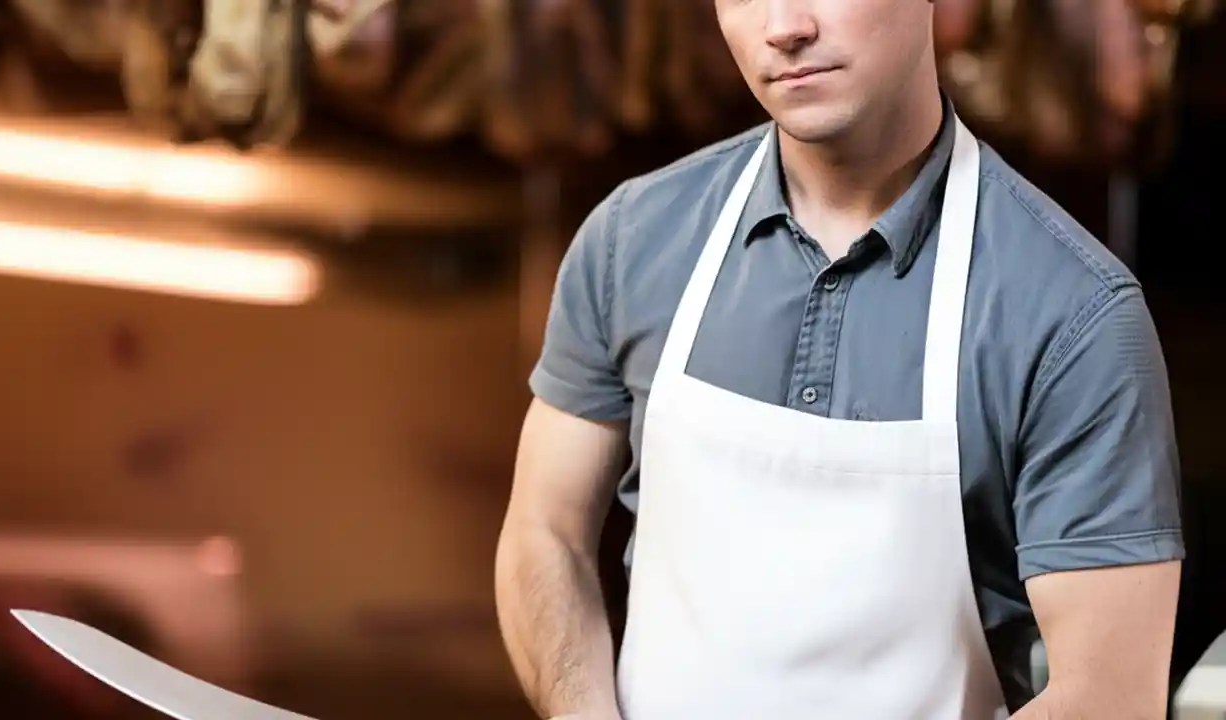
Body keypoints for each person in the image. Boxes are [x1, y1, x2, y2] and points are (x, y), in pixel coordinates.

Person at [494, 1, 1184, 719]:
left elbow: (1108, 697)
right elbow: (546, 533)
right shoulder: (631, 240)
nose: (783, 26)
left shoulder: (1074, 313)